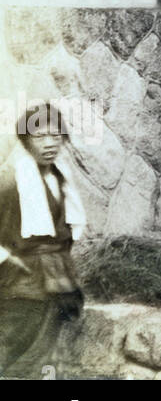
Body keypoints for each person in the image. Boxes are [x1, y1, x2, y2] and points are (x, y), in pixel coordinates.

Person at [0, 102, 86, 377]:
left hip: (58, 280)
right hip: (22, 285)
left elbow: (69, 228)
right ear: (26, 141)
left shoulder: (60, 178)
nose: (49, 143)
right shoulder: (11, 181)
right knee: (17, 354)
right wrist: (10, 262)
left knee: (44, 359)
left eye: (55, 135)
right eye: (39, 136)